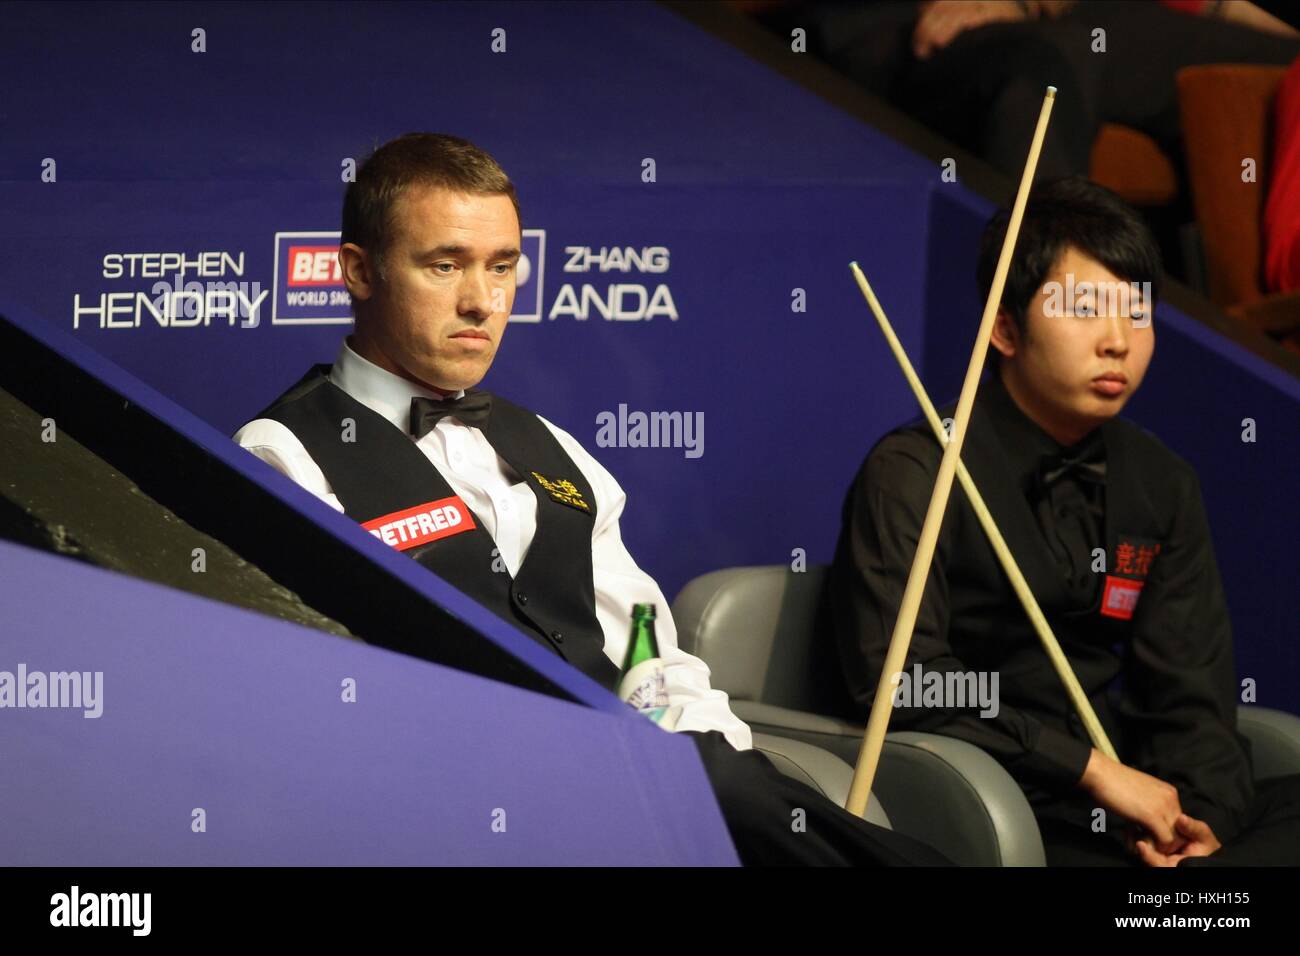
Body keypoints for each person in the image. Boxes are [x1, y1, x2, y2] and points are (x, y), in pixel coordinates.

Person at [234, 132, 950, 866]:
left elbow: (648, 658)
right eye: (443, 265)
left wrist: (715, 762)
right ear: (359, 270)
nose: (482, 301)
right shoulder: (284, 457)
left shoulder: (550, 445)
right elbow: (325, 717)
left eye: (503, 267)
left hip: (636, 795)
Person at [827, 176, 1300, 866]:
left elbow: (1190, 696)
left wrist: (1198, 822)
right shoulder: (916, 472)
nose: (1118, 340)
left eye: (1137, 313)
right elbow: (908, 684)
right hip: (1000, 803)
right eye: (1084, 308)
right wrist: (1091, 770)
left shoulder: (1161, 481)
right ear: (1005, 328)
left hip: (1135, 813)